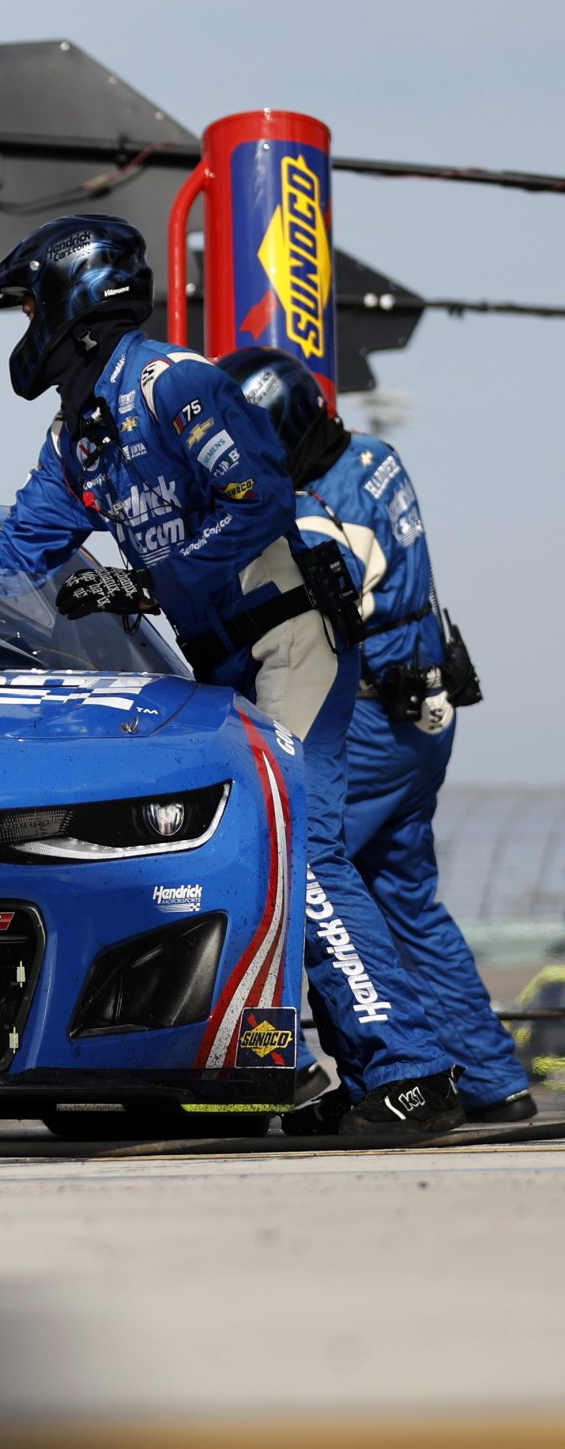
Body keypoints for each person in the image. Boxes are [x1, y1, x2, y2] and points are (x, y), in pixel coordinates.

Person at [0, 212, 467, 1138]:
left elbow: (258, 494)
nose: (24, 327)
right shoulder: (78, 436)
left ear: (75, 302)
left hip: (291, 640)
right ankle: (329, 1074)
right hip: (228, 658)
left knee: (301, 857)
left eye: (28, 303)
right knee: (262, 862)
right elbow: (11, 558)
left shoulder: (174, 382)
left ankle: (412, 1076)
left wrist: (151, 577)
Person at [220, 347, 531, 1123]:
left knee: (304, 879)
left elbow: (319, 614)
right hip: (423, 712)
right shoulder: (376, 456)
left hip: (364, 720)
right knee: (404, 899)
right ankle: (493, 1078)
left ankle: (384, 1076)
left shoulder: (321, 510)